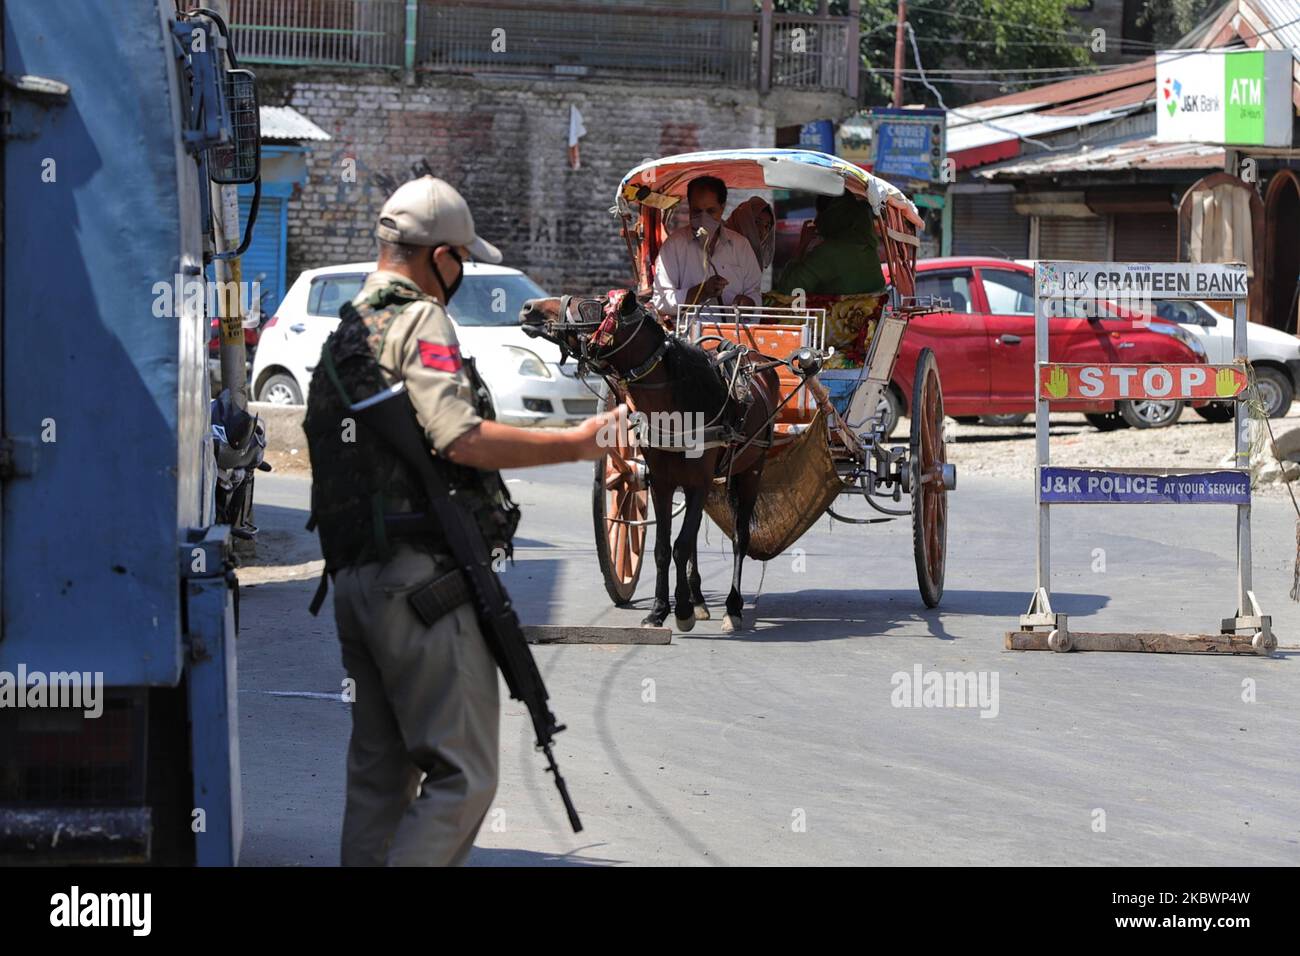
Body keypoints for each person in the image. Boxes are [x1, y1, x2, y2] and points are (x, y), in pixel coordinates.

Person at [303, 176, 622, 866]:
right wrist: (580, 441)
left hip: (357, 582)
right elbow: (460, 438)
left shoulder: (348, 328)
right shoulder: (419, 319)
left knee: (380, 782)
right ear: (439, 256)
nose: (461, 276)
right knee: (465, 776)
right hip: (421, 589)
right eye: (462, 262)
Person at [651, 175, 761, 318]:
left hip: (733, 335)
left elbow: (755, 292)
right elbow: (661, 302)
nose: (703, 218)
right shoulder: (674, 246)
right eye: (696, 211)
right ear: (689, 207)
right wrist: (700, 292)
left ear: (722, 208)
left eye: (710, 211)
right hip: (688, 336)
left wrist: (748, 304)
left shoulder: (740, 246)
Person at [774, 193, 886, 296]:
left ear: (829, 217)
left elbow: (788, 290)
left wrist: (802, 244)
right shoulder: (869, 249)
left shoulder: (827, 253)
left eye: (819, 214)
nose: (816, 220)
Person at [725, 196, 776, 273]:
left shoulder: (753, 259)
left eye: (767, 226)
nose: (762, 231)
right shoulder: (718, 245)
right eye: (756, 222)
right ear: (742, 219)